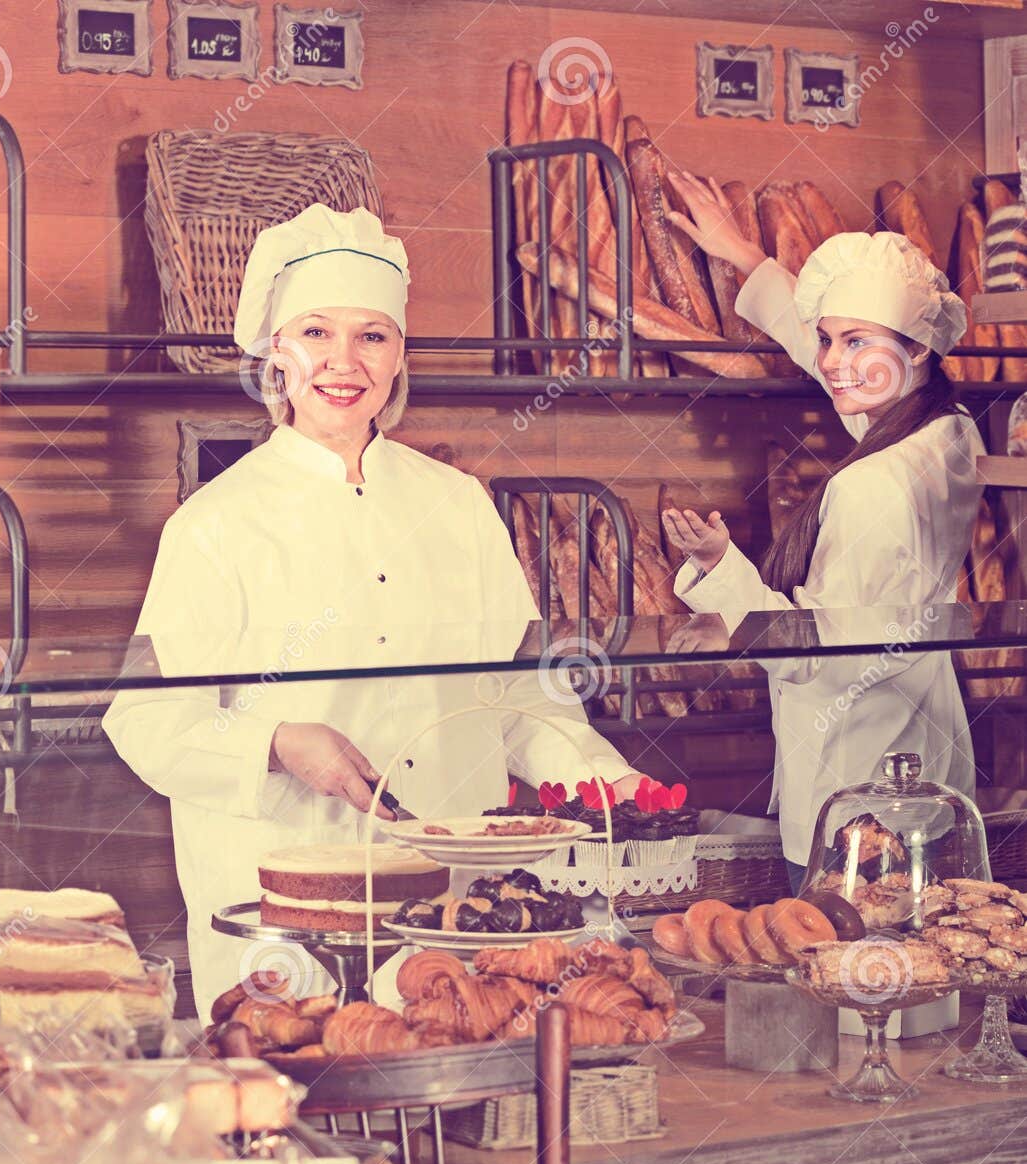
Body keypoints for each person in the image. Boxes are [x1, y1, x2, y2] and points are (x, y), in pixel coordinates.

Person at [105, 204, 641, 1020]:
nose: (343, 362)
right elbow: (141, 721)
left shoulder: (458, 505)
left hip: (450, 905)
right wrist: (279, 743)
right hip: (285, 904)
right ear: (274, 353)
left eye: (372, 336)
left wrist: (609, 785)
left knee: (456, 1103)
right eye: (316, 333)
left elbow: (519, 696)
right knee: (308, 1106)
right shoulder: (214, 525)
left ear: (398, 357)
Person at [659, 175, 979, 891]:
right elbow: (853, 366)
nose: (831, 361)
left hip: (860, 775)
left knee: (866, 973)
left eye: (853, 341)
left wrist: (722, 571)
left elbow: (828, 655)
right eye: (826, 340)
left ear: (916, 349)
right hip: (915, 757)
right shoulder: (942, 430)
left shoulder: (872, 487)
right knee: (921, 968)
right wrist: (744, 255)